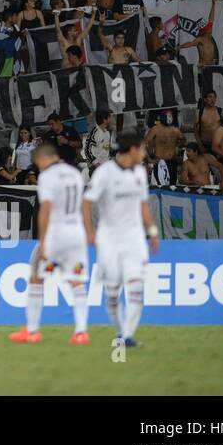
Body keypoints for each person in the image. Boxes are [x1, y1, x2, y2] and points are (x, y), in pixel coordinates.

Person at [83, 131, 159, 349]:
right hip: (109, 239)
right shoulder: (105, 173)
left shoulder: (140, 173)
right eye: (143, 148)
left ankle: (127, 336)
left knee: (136, 286)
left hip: (134, 238)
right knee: (113, 292)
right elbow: (86, 202)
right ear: (133, 149)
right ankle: (120, 331)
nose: (145, 153)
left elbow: (143, 205)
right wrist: (90, 232)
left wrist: (152, 231)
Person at [10, 142, 91, 344]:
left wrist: (44, 242)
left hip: (56, 235)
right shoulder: (74, 173)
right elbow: (83, 205)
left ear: (42, 158)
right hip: (76, 234)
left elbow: (46, 208)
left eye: (37, 163)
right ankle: (81, 332)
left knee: (36, 278)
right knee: (77, 282)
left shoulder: (47, 176)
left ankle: (32, 331)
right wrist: (89, 232)